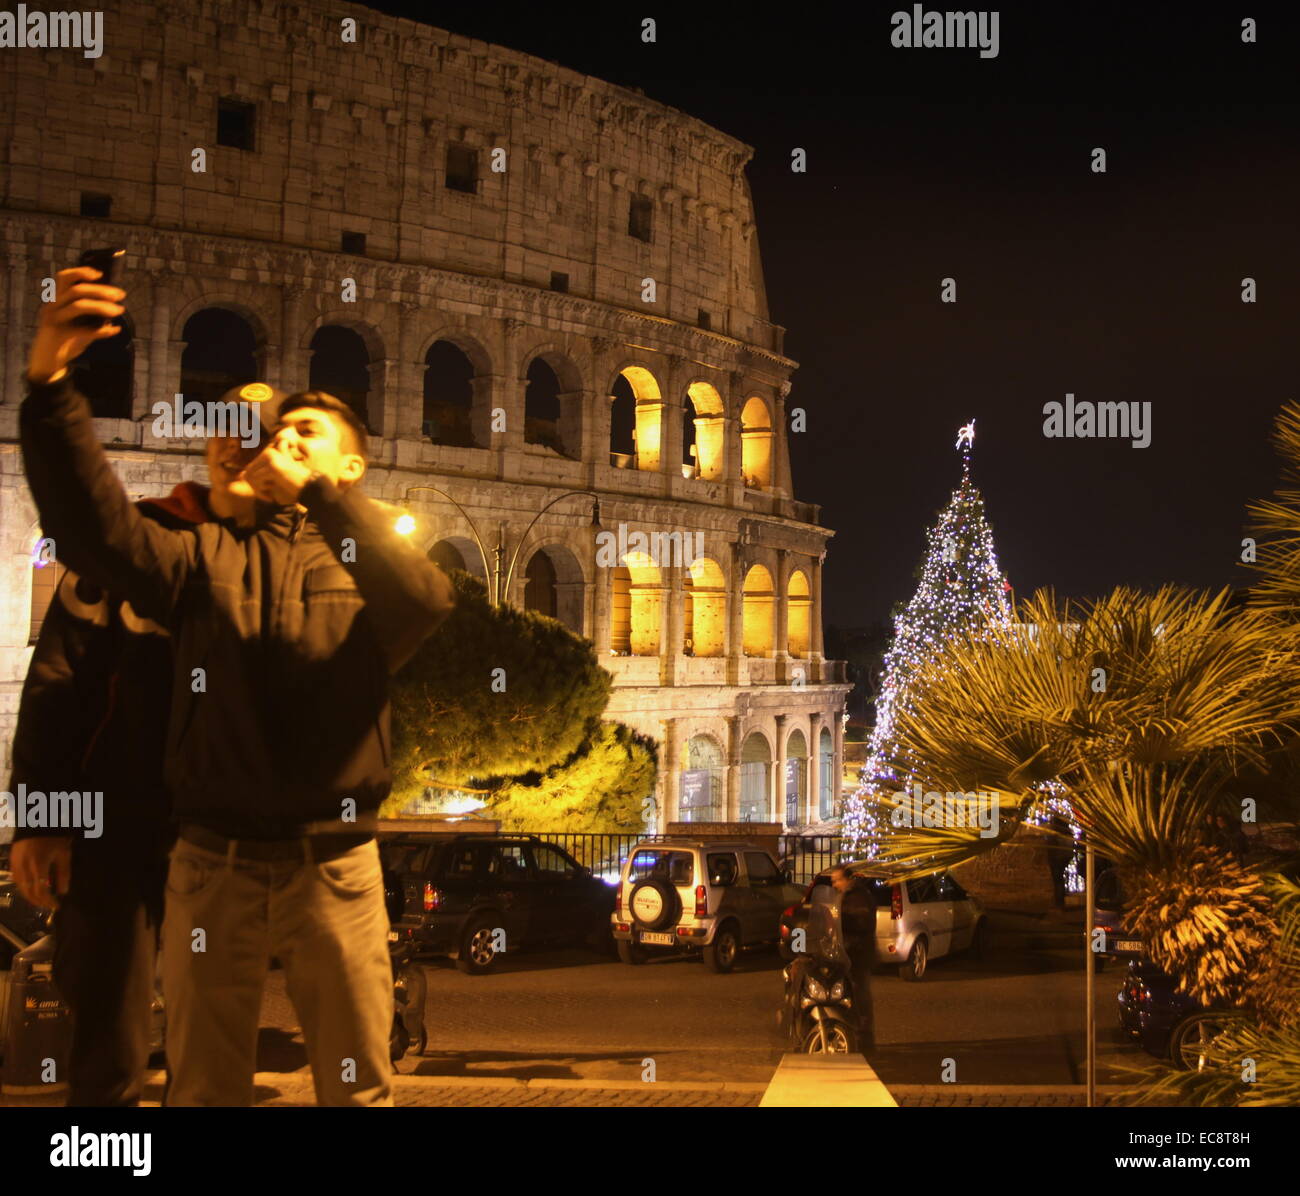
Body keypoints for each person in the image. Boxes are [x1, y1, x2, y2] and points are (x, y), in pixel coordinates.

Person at [21, 265, 456, 1106]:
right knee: (165, 1074)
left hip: (332, 862)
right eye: (258, 427)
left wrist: (318, 490)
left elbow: (424, 601)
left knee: (356, 1088)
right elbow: (82, 560)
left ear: (353, 465)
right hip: (190, 850)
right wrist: (50, 385)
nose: (266, 440)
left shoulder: (358, 559)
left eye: (298, 430)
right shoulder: (188, 549)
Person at [7, 380, 284, 1106]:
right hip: (115, 827)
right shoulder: (142, 536)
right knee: (107, 1042)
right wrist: (42, 821)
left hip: (228, 832)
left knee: (213, 1041)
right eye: (225, 425)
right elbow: (60, 678)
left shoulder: (303, 559)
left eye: (257, 430)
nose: (237, 441)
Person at [829, 864, 876, 1051]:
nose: (834, 884)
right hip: (845, 953)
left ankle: (865, 1039)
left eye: (837, 880)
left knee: (859, 994)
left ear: (847, 879)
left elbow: (860, 921)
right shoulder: (845, 895)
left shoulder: (859, 896)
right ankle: (849, 1033)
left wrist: (841, 917)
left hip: (858, 954)